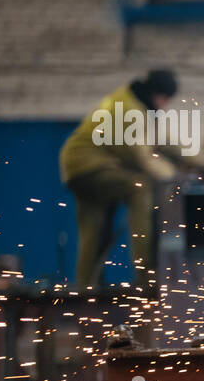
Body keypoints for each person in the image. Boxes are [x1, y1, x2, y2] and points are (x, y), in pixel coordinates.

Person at [59, 69, 182, 290]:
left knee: (94, 230)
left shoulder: (129, 101)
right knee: (140, 188)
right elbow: (144, 158)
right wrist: (175, 177)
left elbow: (159, 144)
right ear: (158, 94)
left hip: (77, 166)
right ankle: (146, 273)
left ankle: (87, 288)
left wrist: (196, 161)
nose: (165, 106)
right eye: (165, 100)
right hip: (90, 165)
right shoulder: (130, 111)